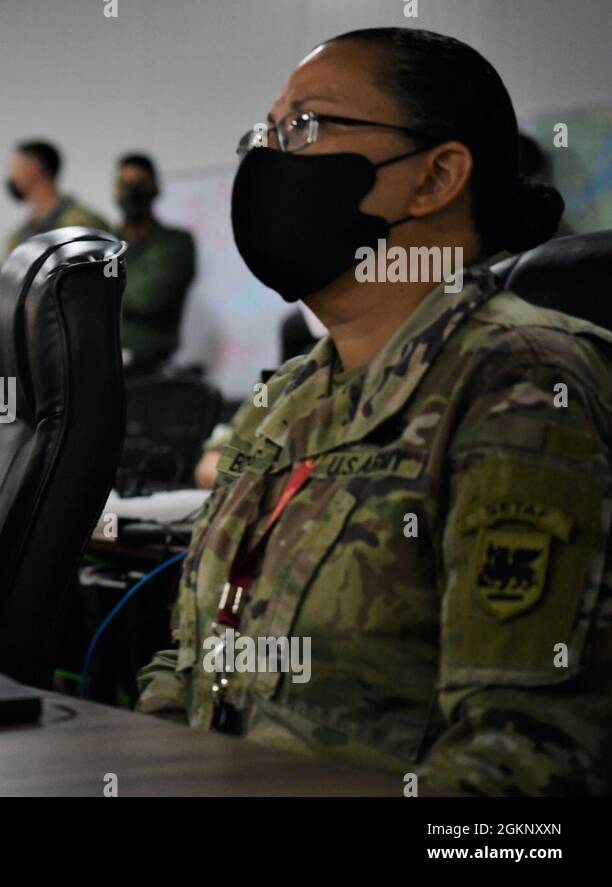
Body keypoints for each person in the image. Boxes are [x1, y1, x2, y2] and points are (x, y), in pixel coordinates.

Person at [136, 27, 612, 796]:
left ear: (435, 177)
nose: (268, 161)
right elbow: (190, 656)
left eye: (305, 127)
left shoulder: (520, 382)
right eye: (266, 134)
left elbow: (523, 763)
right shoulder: (287, 398)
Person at [113, 153, 196, 375]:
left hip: (150, 368)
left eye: (139, 184)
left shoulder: (175, 243)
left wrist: (104, 291)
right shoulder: (105, 242)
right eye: (124, 184)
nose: (131, 192)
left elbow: (145, 298)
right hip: (106, 364)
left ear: (155, 189)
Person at [5, 140, 109, 254]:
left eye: (15, 168)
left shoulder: (83, 225)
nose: (11, 177)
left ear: (33, 169)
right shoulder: (19, 237)